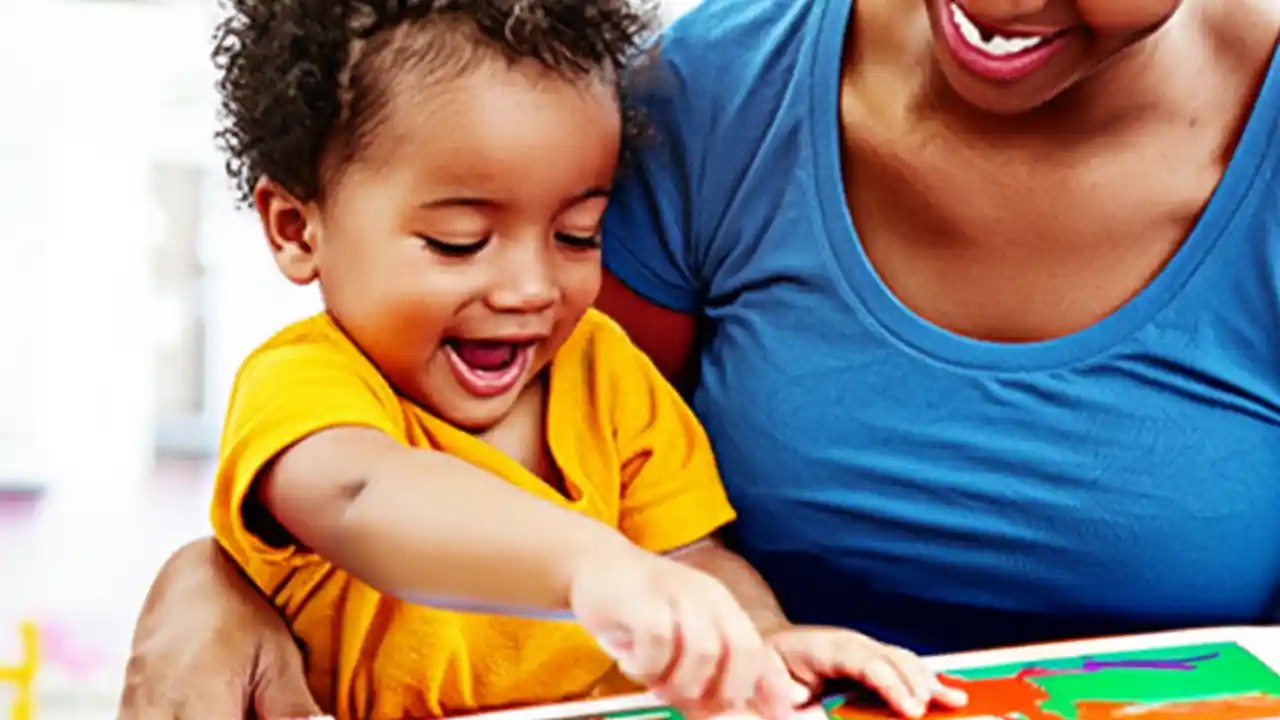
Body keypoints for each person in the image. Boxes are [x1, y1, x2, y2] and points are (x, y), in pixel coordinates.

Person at [120, 0, 1280, 716]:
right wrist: (598, 571)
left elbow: (695, 552)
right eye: (461, 240)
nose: (530, 287)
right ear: (292, 229)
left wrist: (767, 648)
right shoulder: (313, 380)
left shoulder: (603, 381)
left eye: (580, 233)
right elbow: (368, 493)